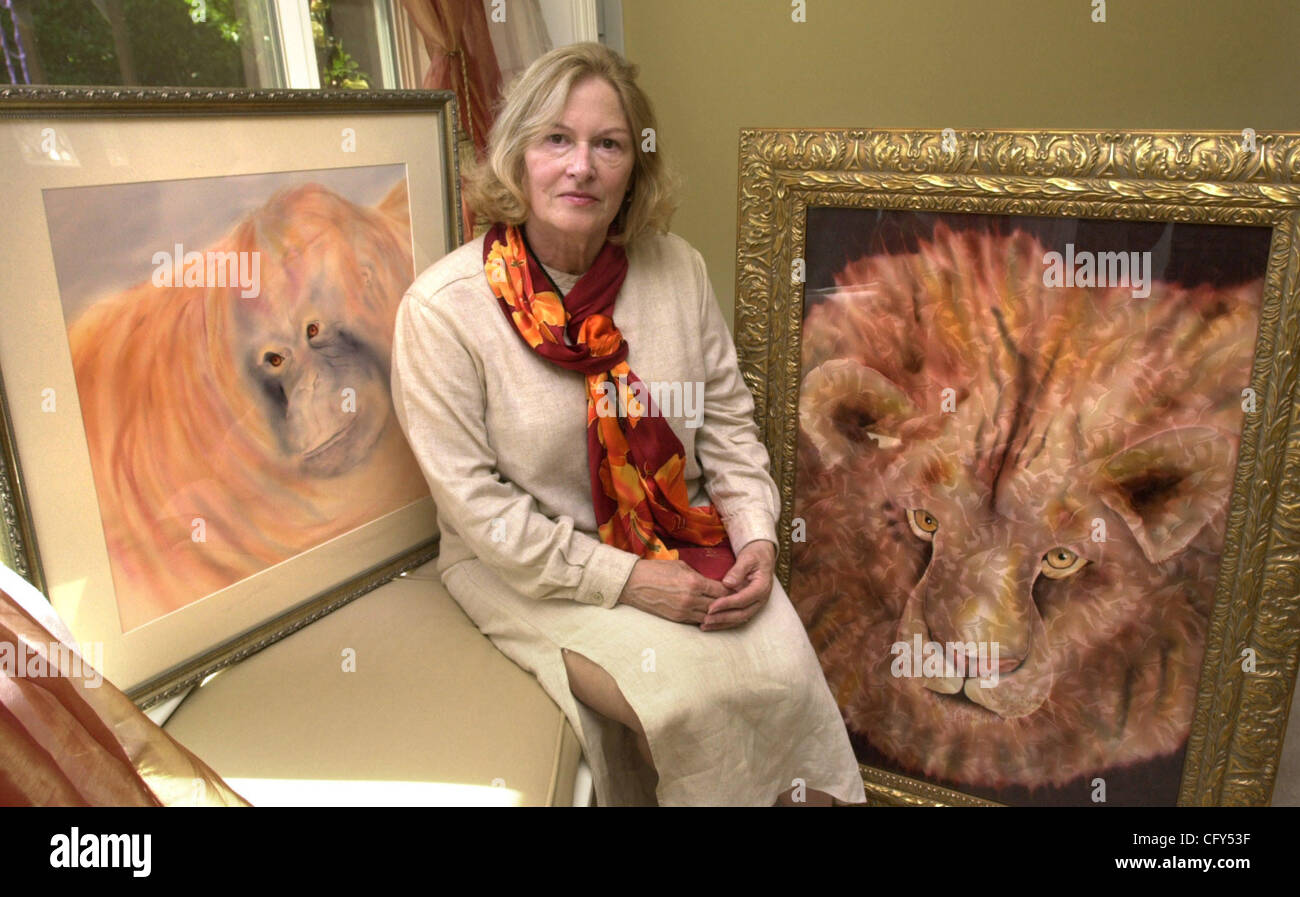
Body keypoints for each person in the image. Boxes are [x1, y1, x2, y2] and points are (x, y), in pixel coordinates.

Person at [389, 42, 865, 806]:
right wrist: (634, 582)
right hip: (525, 570)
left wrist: (757, 536)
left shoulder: (678, 269)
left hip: (684, 535)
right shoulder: (442, 312)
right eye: (556, 140)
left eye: (608, 144)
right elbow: (477, 509)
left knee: (783, 675)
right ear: (517, 157)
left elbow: (729, 428)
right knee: (683, 702)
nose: (582, 166)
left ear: (635, 166)